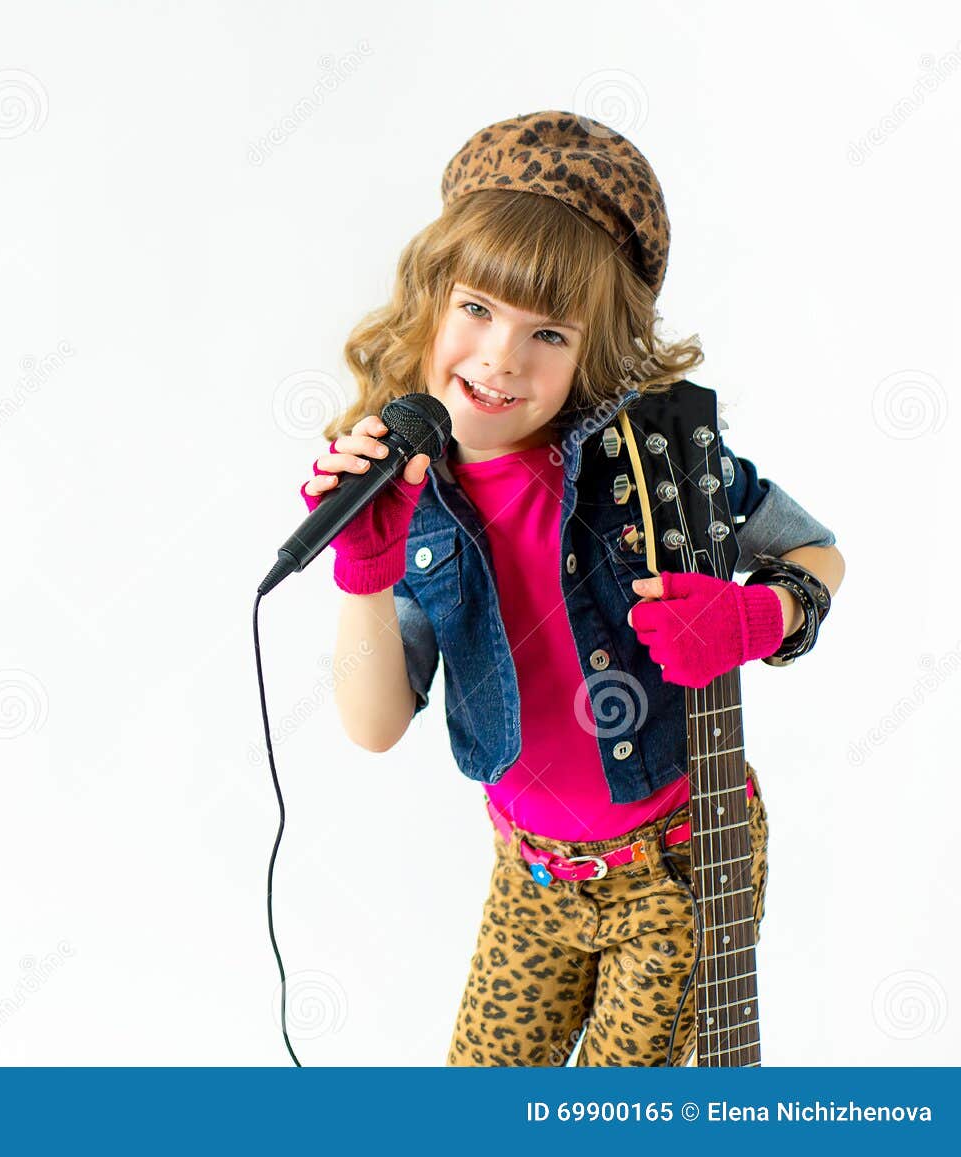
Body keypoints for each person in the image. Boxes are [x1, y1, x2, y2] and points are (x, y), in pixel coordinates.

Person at [296, 110, 846, 1066]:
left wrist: (760, 613)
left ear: (592, 346)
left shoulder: (653, 461)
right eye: (476, 308)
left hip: (681, 865)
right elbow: (374, 723)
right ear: (429, 300)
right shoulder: (413, 493)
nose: (502, 356)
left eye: (547, 330)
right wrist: (363, 571)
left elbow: (817, 552)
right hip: (531, 877)